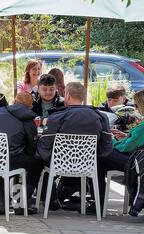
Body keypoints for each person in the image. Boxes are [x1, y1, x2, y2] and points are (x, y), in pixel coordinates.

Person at [37, 81, 114, 211]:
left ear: (67, 96)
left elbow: (45, 143)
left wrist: (46, 156)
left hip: (59, 162)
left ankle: (49, 201)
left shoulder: (57, 116)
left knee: (38, 162)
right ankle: (99, 204)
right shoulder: (100, 117)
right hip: (88, 163)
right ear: (83, 97)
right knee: (99, 164)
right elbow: (106, 145)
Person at [0, 90, 44, 213]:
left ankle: (0, 197)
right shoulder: (28, 118)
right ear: (30, 106)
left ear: (14, 101)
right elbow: (31, 146)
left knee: (0, 161)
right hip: (13, 160)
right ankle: (21, 202)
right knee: (37, 162)